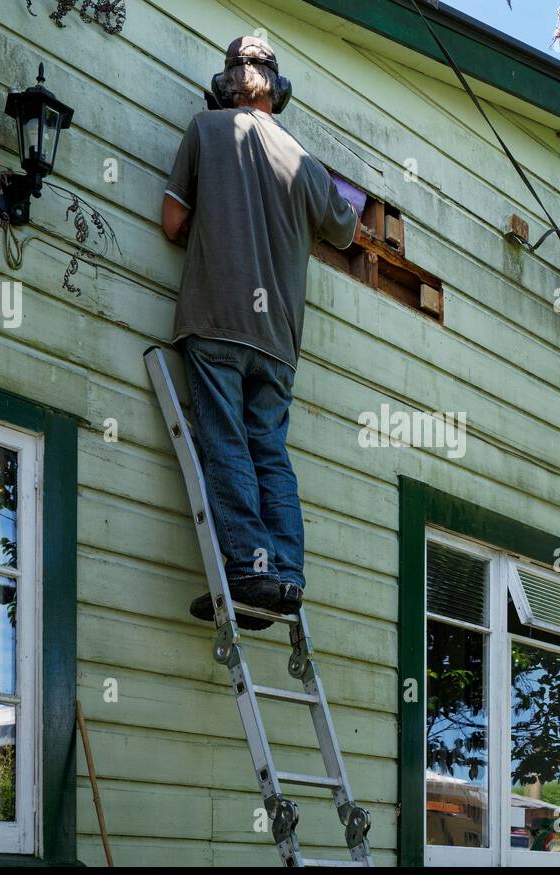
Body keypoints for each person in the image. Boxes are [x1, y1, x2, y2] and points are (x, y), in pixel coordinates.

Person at [161, 36, 359, 629]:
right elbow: (346, 233)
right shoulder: (305, 162)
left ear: (225, 86)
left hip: (217, 318)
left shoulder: (206, 130)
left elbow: (172, 222)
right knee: (268, 448)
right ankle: (287, 577)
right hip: (277, 341)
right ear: (278, 89)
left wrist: (217, 212)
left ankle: (250, 568)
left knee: (224, 441)